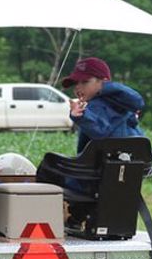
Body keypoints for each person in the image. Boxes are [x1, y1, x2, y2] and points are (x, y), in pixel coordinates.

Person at [61, 57, 146, 227]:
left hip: (94, 179)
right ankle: (78, 217)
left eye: (85, 82)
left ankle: (74, 218)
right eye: (76, 83)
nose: (78, 87)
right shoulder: (126, 108)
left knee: (49, 171)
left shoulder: (95, 106)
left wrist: (81, 116)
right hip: (126, 179)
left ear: (103, 82)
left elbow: (101, 133)